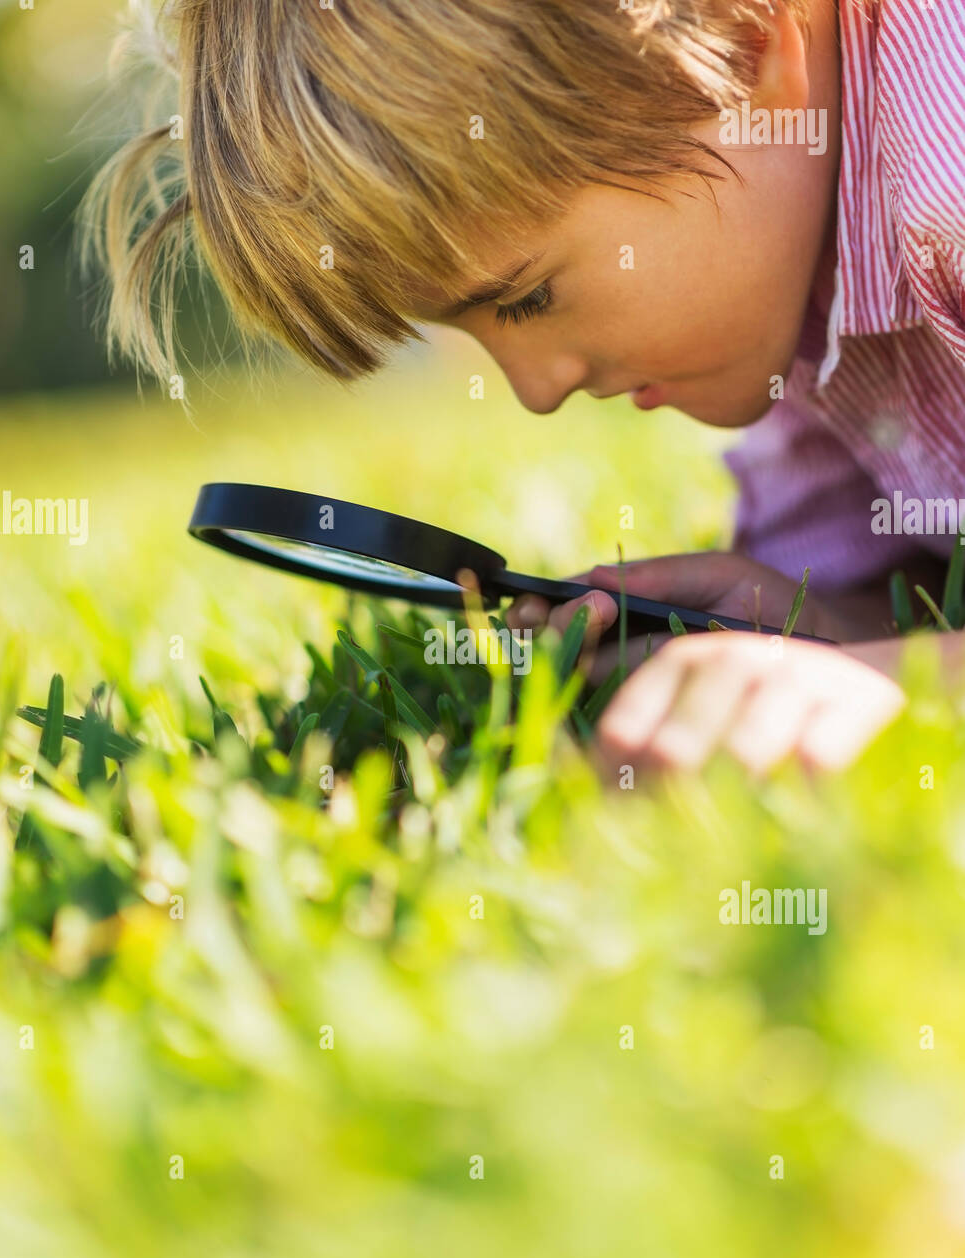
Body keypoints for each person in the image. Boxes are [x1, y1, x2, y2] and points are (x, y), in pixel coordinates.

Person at [78, 0, 965, 775]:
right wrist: (840, 623)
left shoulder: (945, 146)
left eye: (530, 295)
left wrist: (892, 685)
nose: (536, 392)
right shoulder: (788, 304)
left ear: (754, 41)